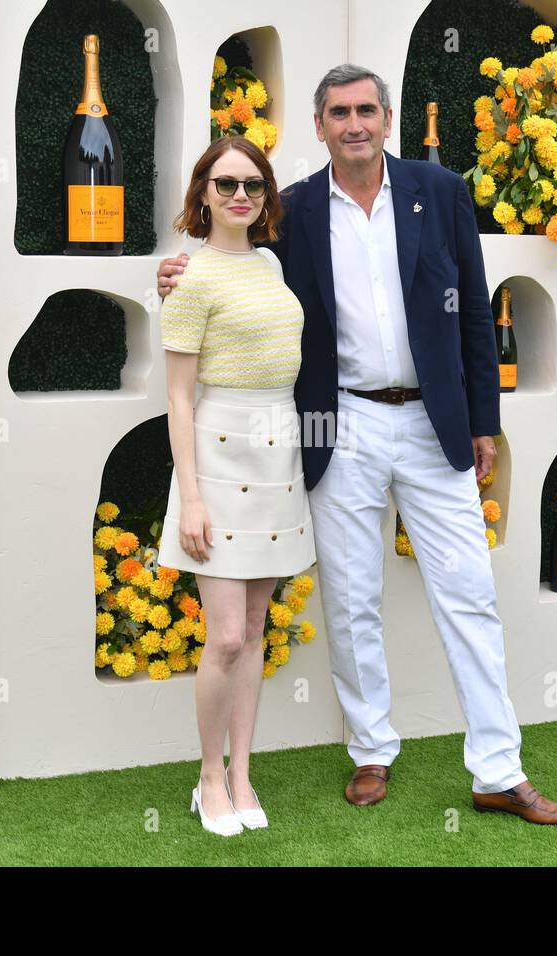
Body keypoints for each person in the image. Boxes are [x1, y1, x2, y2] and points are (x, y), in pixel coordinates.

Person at [160, 65, 557, 826]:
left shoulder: (442, 190)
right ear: (319, 126)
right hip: (337, 423)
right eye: (338, 113)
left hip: (434, 423)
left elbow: (474, 319)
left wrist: (482, 420)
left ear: (387, 120)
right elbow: (240, 273)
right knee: (351, 598)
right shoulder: (288, 211)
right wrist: (178, 274)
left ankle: (498, 769)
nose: (353, 123)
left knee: (470, 595)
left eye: (366, 110)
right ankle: (370, 751)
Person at [156, 136, 315, 836]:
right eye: (224, 185)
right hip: (217, 459)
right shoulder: (189, 277)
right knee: (222, 636)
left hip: (278, 454)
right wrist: (191, 498)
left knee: (254, 629)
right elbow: (178, 398)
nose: (239, 195)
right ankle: (208, 778)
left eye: (252, 183)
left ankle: (245, 773)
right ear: (202, 195)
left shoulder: (273, 263)